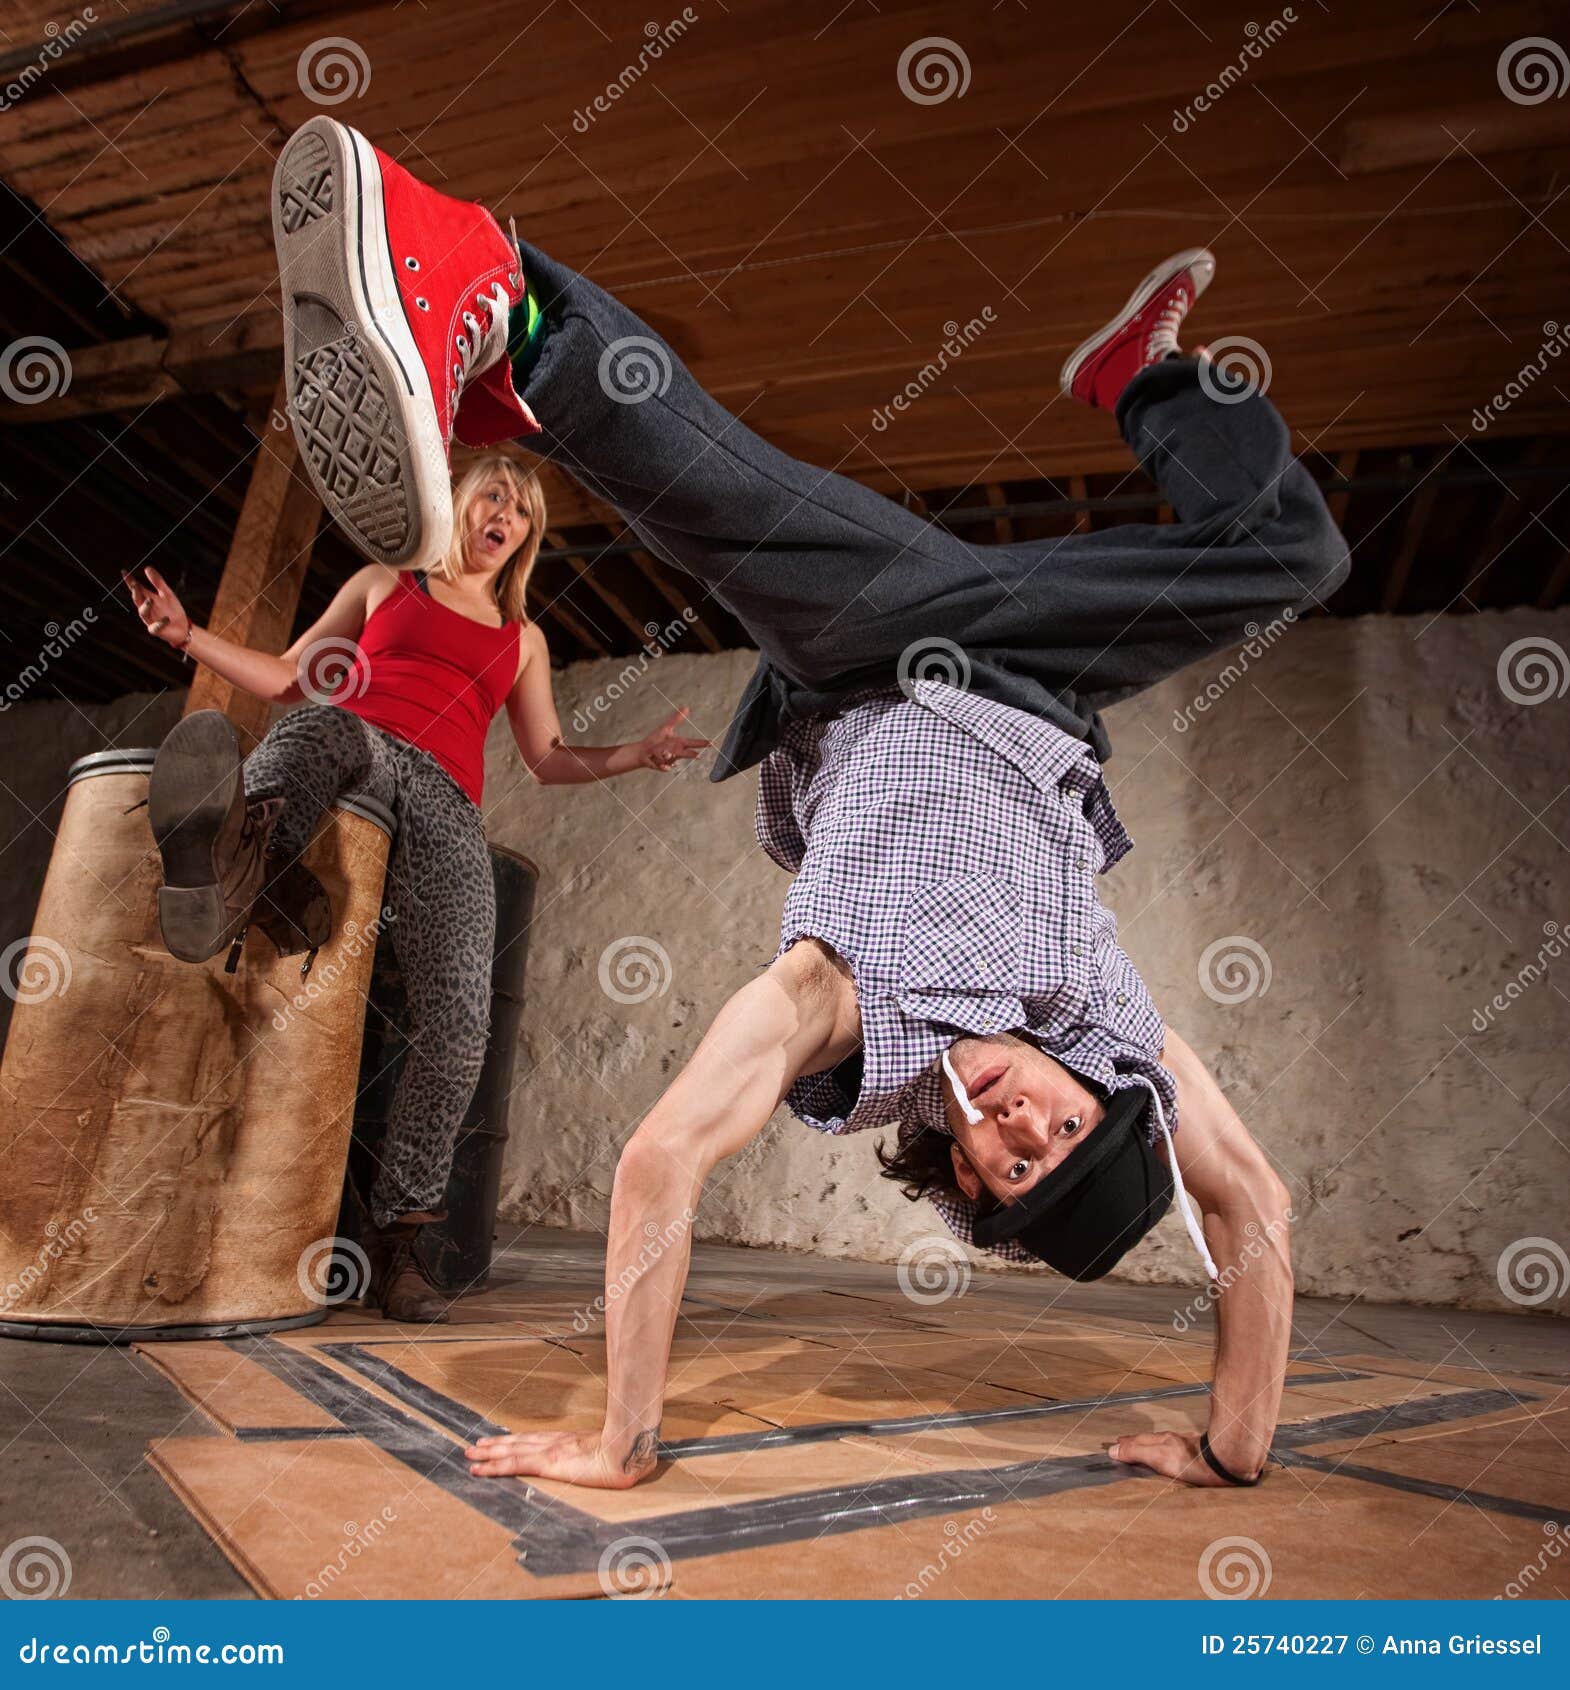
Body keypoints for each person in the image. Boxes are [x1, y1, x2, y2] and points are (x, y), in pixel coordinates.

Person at [266, 115, 1350, 1486]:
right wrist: (1235, 1446)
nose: (1029, 1120)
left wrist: (622, 1438)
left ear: (962, 1178)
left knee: (730, 499)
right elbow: (1248, 1196)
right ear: (1096, 1092)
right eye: (1063, 1125)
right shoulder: (1111, 1031)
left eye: (1013, 1159)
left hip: (875, 659)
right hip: (1040, 674)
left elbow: (664, 1159)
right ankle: (1143, 382)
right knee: (1295, 550)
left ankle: (498, 297)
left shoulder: (858, 1025)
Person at [123, 450, 709, 1321]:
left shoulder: (523, 639)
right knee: (317, 726)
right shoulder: (381, 584)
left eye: (520, 511)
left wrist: (637, 754)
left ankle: (399, 1241)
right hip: (357, 746)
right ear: (464, 505)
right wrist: (187, 639)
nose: (502, 514)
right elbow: (290, 676)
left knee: (461, 1021)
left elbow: (546, 757)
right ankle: (238, 863)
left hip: (444, 797)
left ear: (524, 540)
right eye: (493, 496)